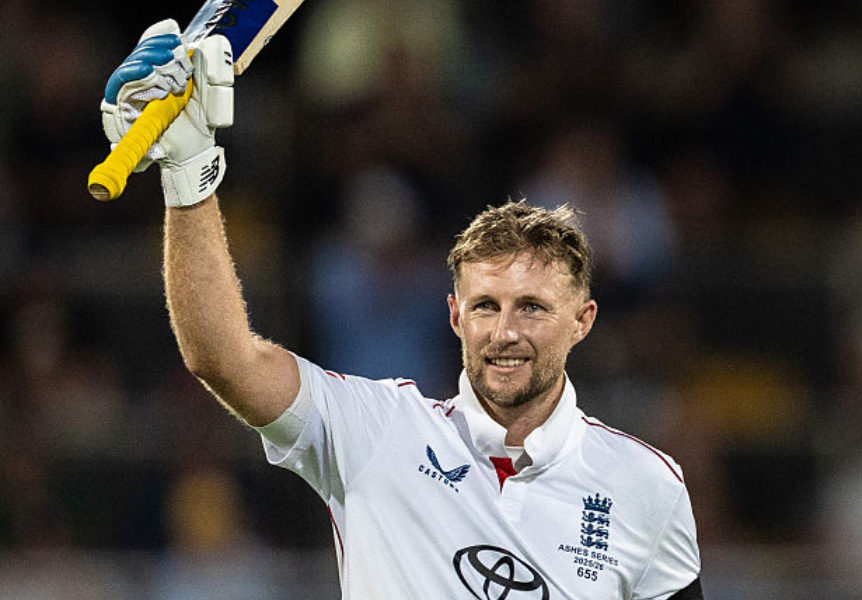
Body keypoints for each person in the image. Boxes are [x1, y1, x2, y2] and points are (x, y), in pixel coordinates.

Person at [101, 20, 704, 600]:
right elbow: (224, 359)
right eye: (486, 306)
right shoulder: (379, 429)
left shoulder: (648, 485)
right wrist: (187, 174)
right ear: (455, 316)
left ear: (582, 321)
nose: (505, 332)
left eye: (532, 308)